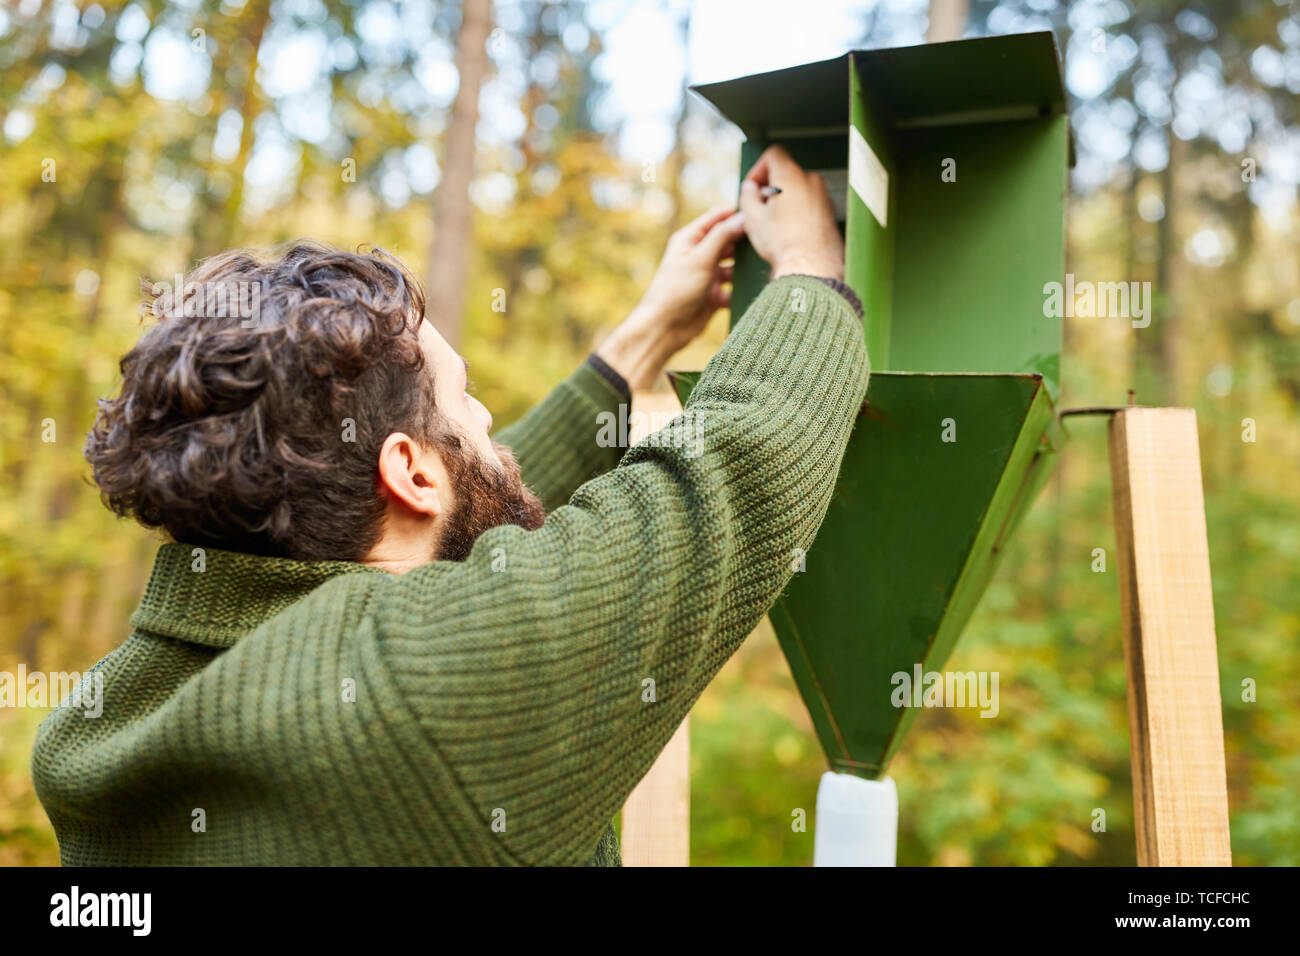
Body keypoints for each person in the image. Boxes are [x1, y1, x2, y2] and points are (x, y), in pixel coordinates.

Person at [31, 145, 868, 865]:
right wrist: (807, 268)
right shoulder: (425, 697)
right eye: (465, 400)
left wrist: (639, 343)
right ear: (411, 473)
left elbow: (439, 533)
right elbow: (725, 477)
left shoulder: (107, 720)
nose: (488, 421)